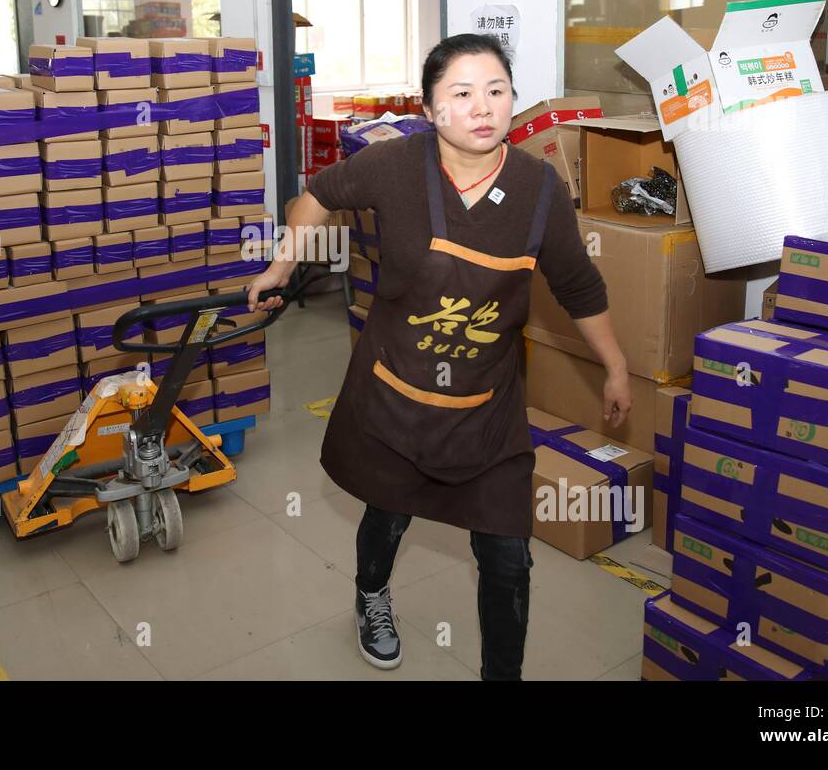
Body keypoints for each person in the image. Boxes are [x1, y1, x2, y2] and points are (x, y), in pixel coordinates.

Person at [247, 33, 631, 680]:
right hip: (398, 389)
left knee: (509, 554)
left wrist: (617, 366)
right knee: (387, 511)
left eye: (497, 90)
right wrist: (280, 266)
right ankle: (371, 594)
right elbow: (318, 193)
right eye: (462, 93)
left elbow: (578, 287)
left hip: (486, 403)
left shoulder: (538, 191)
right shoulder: (393, 166)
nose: (483, 107)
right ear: (431, 110)